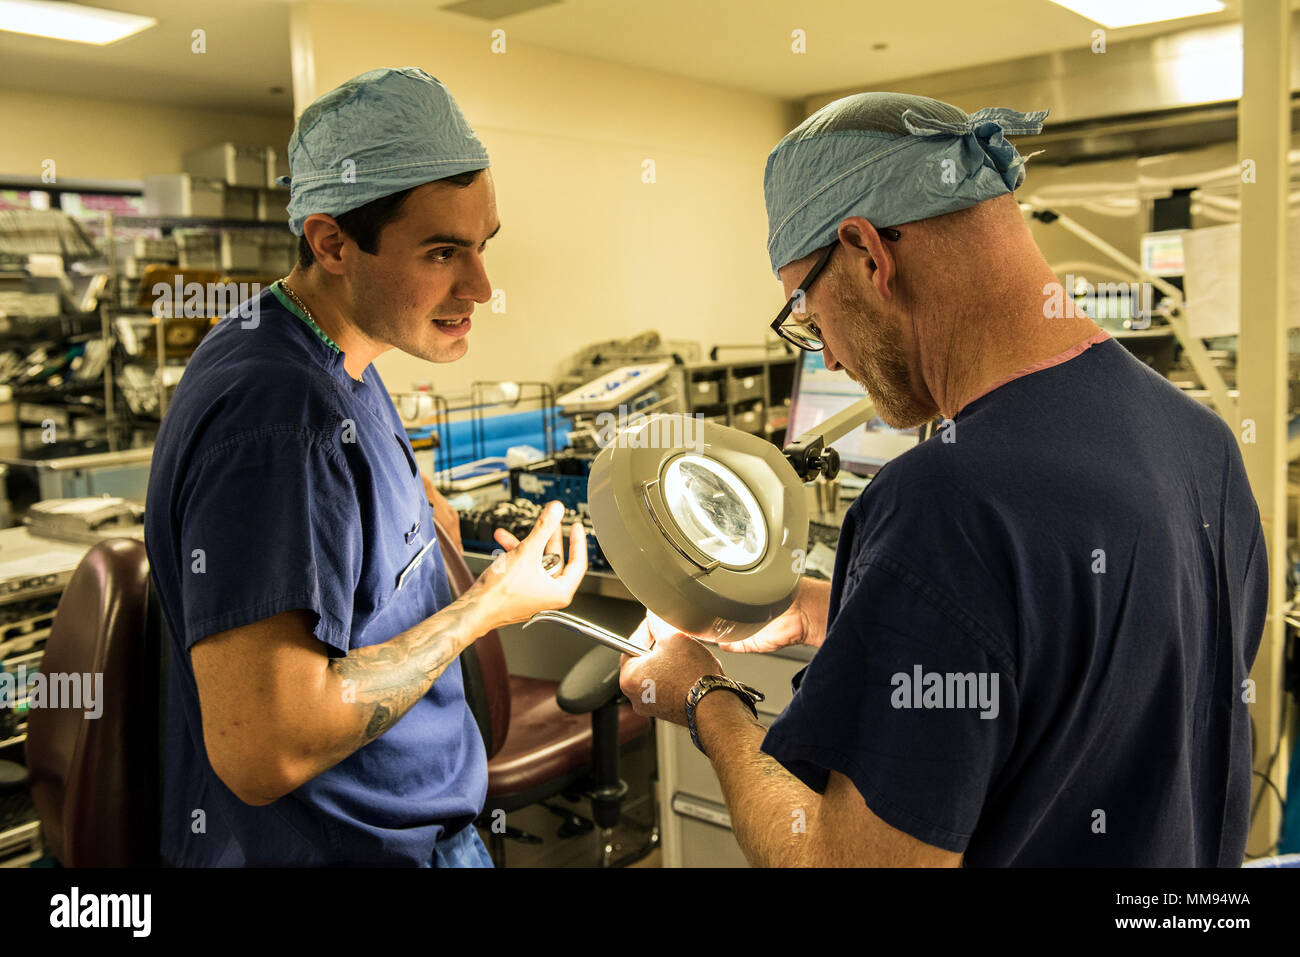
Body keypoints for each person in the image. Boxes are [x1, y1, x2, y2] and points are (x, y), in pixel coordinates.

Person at [619, 92, 1267, 867]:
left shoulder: (943, 504)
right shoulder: (1201, 442)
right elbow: (1073, 669)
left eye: (808, 313)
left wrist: (704, 699)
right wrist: (849, 613)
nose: (824, 356)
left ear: (867, 252)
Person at [145, 67, 586, 867]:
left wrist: (439, 523)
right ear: (332, 241)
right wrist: (488, 607)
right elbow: (261, 749)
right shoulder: (278, 417)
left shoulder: (332, 349)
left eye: (484, 245)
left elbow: (373, 518)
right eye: (444, 252)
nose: (482, 286)